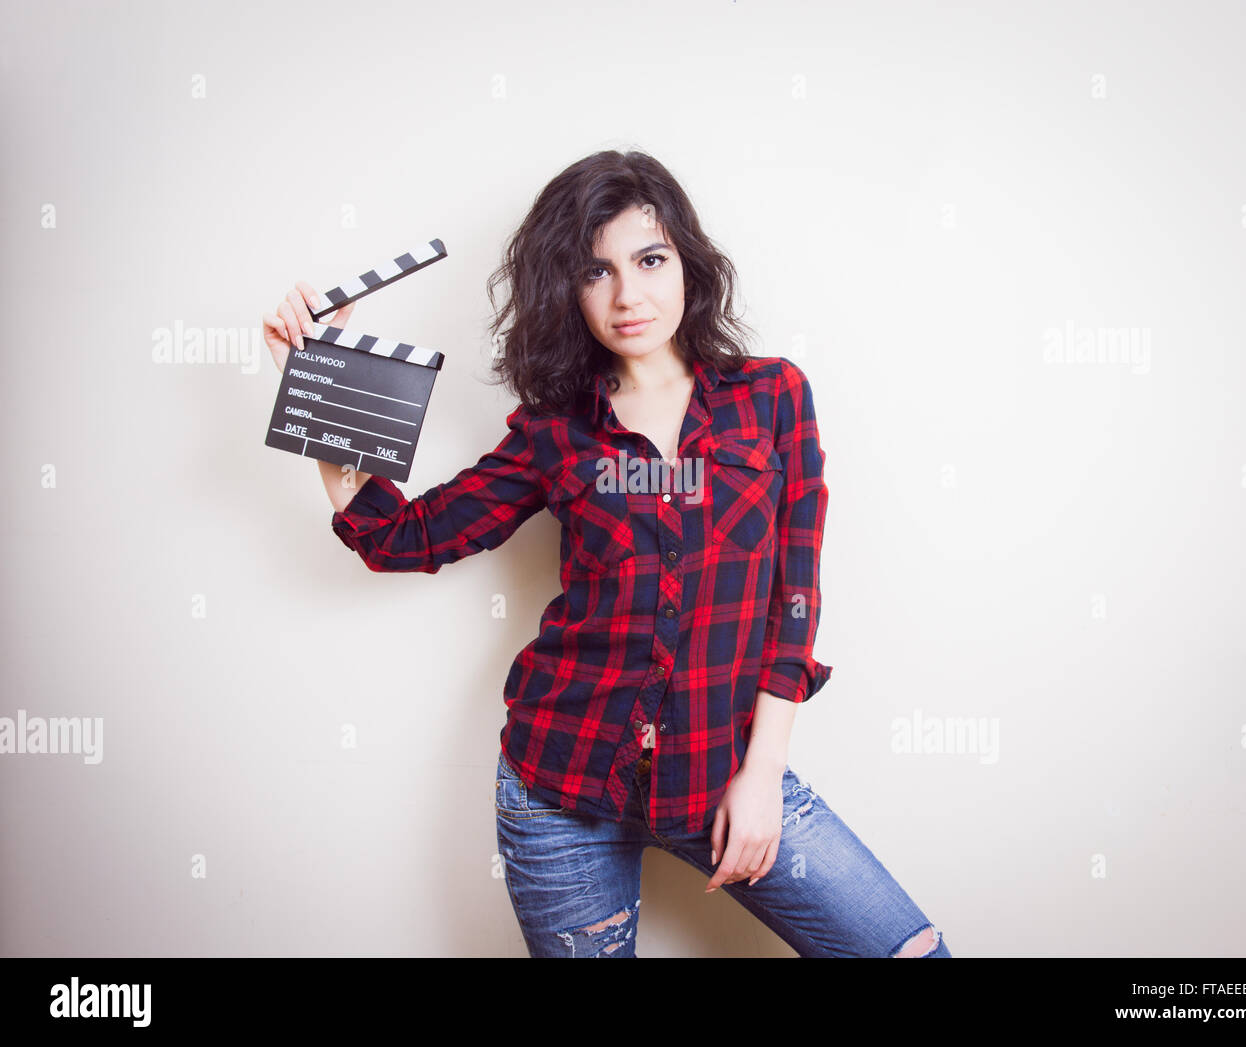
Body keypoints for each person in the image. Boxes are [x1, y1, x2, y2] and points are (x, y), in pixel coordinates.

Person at [261, 149, 951, 958]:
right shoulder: (555, 428)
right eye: (597, 272)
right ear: (567, 288)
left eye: (650, 260)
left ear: (687, 263)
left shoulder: (773, 396)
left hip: (722, 773)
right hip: (560, 789)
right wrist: (323, 387)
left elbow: (792, 600)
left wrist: (762, 777)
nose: (629, 295)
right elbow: (400, 536)